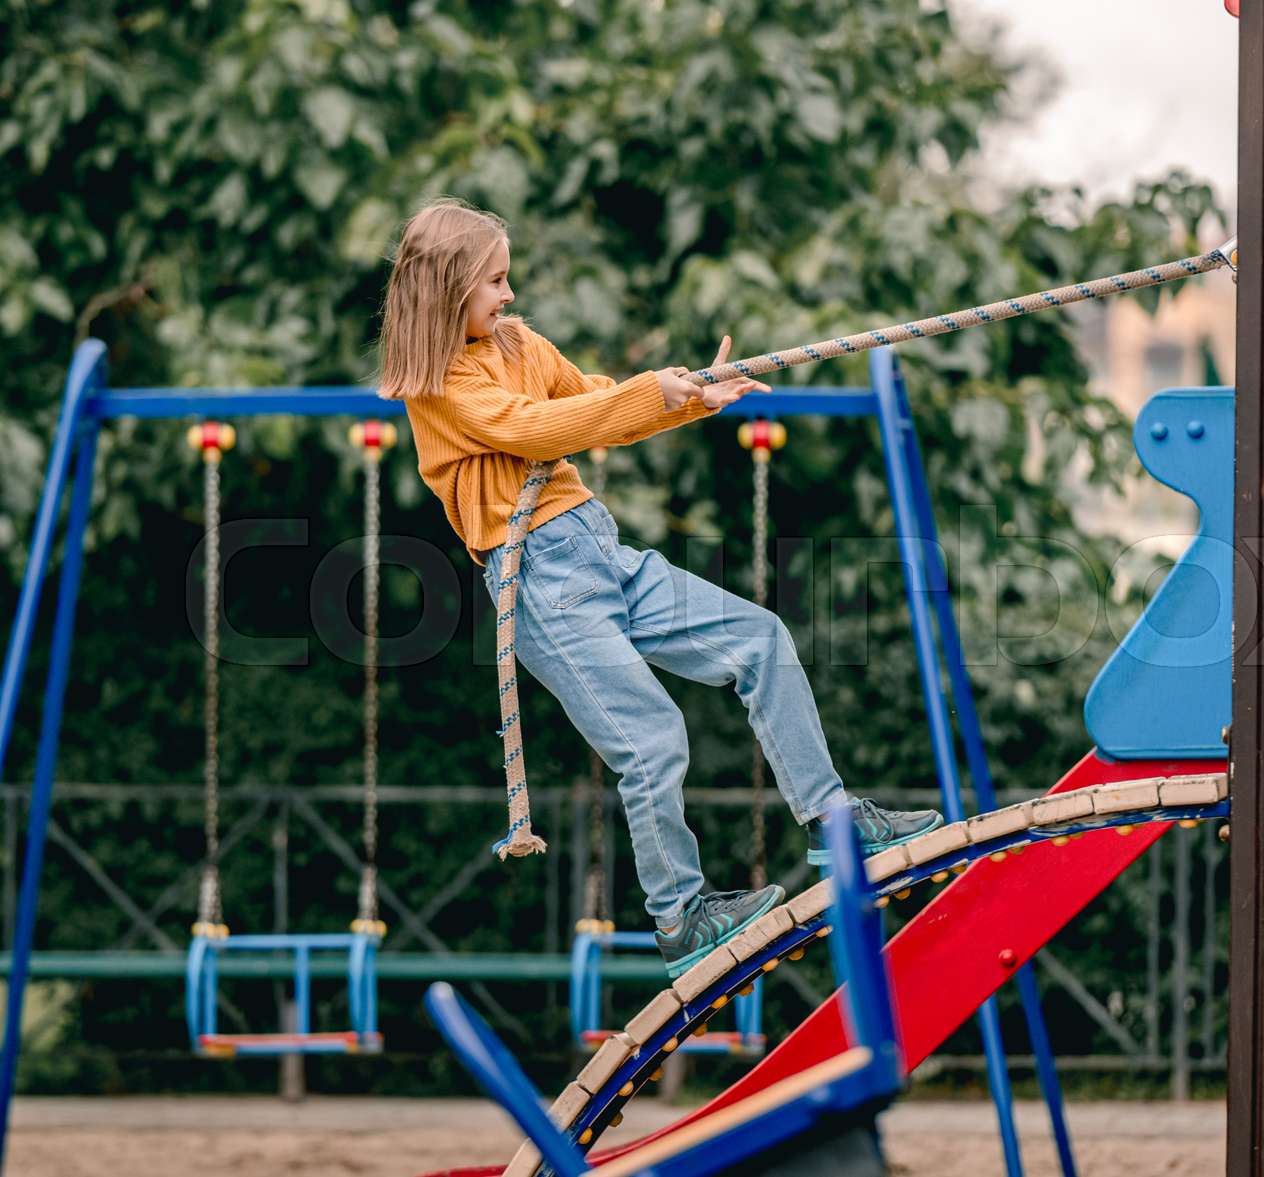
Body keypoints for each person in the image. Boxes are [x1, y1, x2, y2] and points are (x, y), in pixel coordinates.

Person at [377, 198, 942, 977]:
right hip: (541, 580)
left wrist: (688, 400)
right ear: (448, 287)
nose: (509, 295)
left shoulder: (519, 343)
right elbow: (532, 429)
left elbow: (592, 405)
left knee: (761, 639)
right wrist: (651, 390)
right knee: (652, 740)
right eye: (495, 281)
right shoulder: (441, 383)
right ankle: (682, 916)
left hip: (598, 549)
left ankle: (834, 820)